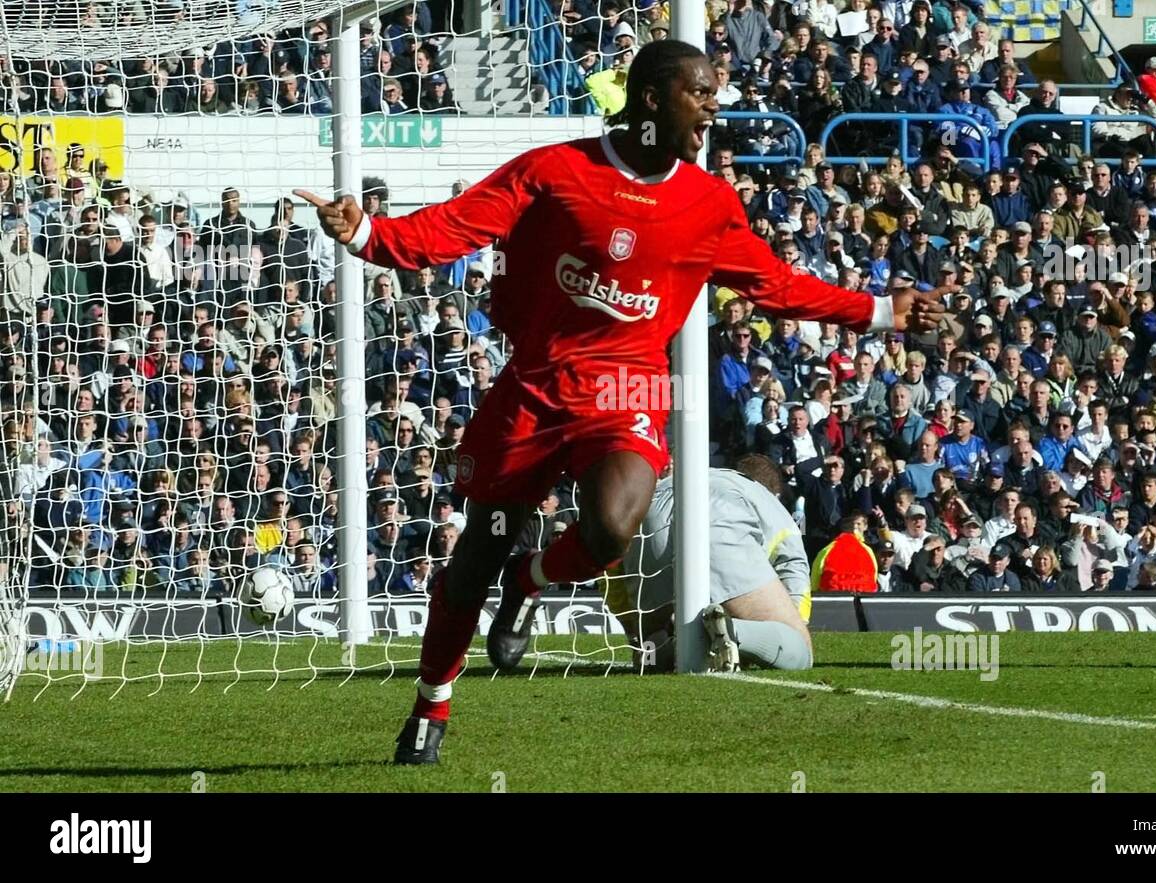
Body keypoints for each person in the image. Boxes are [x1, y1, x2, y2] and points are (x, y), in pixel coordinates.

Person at [298, 41, 944, 765]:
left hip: (626, 387)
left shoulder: (708, 203)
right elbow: (459, 224)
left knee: (611, 527)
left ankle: (531, 577)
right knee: (473, 557)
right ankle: (430, 706)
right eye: (700, 93)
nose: (712, 106)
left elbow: (776, 285)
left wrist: (882, 311)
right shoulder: (556, 170)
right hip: (536, 388)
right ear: (651, 98)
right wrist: (366, 233)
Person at [610, 456, 813, 673]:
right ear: (776, 493)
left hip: (649, 513)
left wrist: (635, 631)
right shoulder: (770, 503)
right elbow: (793, 566)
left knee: (652, 646)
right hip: (722, 515)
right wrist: (788, 627)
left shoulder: (693, 478)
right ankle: (732, 632)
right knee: (800, 648)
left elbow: (613, 569)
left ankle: (650, 653)